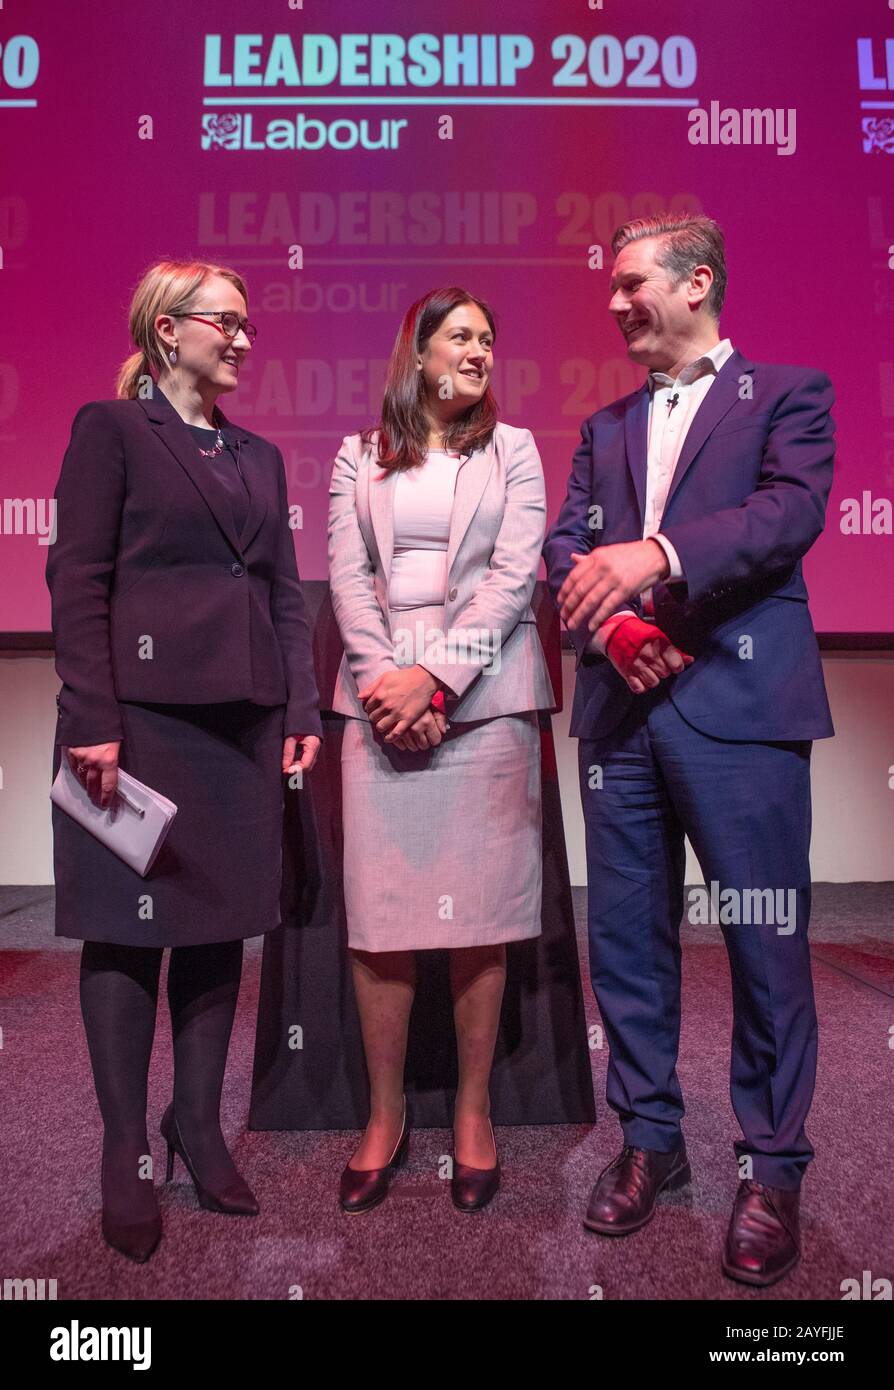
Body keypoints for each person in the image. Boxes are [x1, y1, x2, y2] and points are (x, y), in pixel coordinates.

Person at [543, 214, 835, 1287]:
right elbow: (566, 542)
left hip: (741, 706)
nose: (614, 304)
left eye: (631, 285)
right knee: (626, 942)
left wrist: (655, 558)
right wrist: (615, 624)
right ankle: (650, 1138)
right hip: (620, 715)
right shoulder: (605, 424)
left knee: (764, 948)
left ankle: (771, 1165)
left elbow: (788, 513)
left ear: (697, 281)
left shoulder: (791, 393)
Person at [46, 259, 322, 1262]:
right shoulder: (112, 430)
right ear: (168, 331)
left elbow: (285, 592)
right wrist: (91, 716)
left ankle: (196, 1124)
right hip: (139, 723)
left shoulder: (259, 453)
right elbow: (75, 577)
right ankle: (128, 1149)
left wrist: (298, 702)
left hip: (241, 728)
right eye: (225, 321)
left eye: (250, 323)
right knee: (127, 933)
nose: (245, 338)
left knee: (219, 929)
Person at [328, 287, 555, 1213]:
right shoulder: (354, 456)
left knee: (480, 921)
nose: (480, 351)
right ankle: (383, 1118)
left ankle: (472, 1113)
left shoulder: (518, 452)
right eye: (460, 336)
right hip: (379, 699)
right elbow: (349, 580)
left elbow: (512, 580)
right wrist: (392, 683)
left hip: (487, 696)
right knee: (380, 922)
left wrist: (439, 681)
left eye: (490, 338)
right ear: (417, 354)